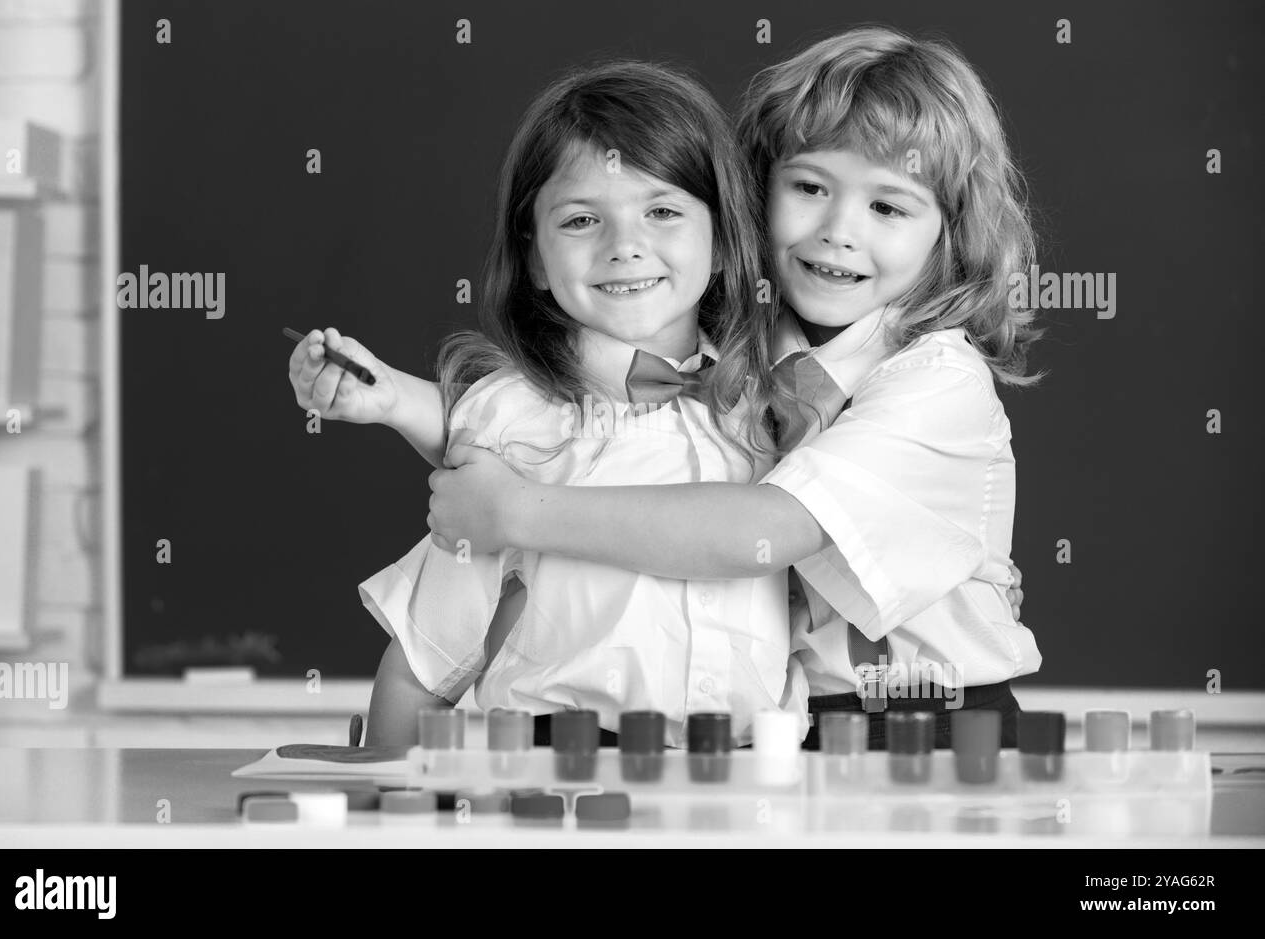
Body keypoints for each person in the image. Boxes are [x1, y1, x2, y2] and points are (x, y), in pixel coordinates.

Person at [424, 27, 1043, 751]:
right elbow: (553, 417)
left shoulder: (938, 381)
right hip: (797, 732)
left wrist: (514, 511)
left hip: (941, 725)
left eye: (889, 207)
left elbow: (764, 531)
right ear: (751, 196)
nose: (839, 231)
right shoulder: (736, 356)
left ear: (951, 234)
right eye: (810, 188)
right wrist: (398, 402)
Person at [289, 60, 803, 751]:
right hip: (557, 768)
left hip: (751, 774)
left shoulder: (774, 403)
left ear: (721, 242)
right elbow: (428, 652)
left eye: (662, 210)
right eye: (583, 219)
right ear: (533, 259)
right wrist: (386, 793)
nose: (625, 246)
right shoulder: (510, 423)